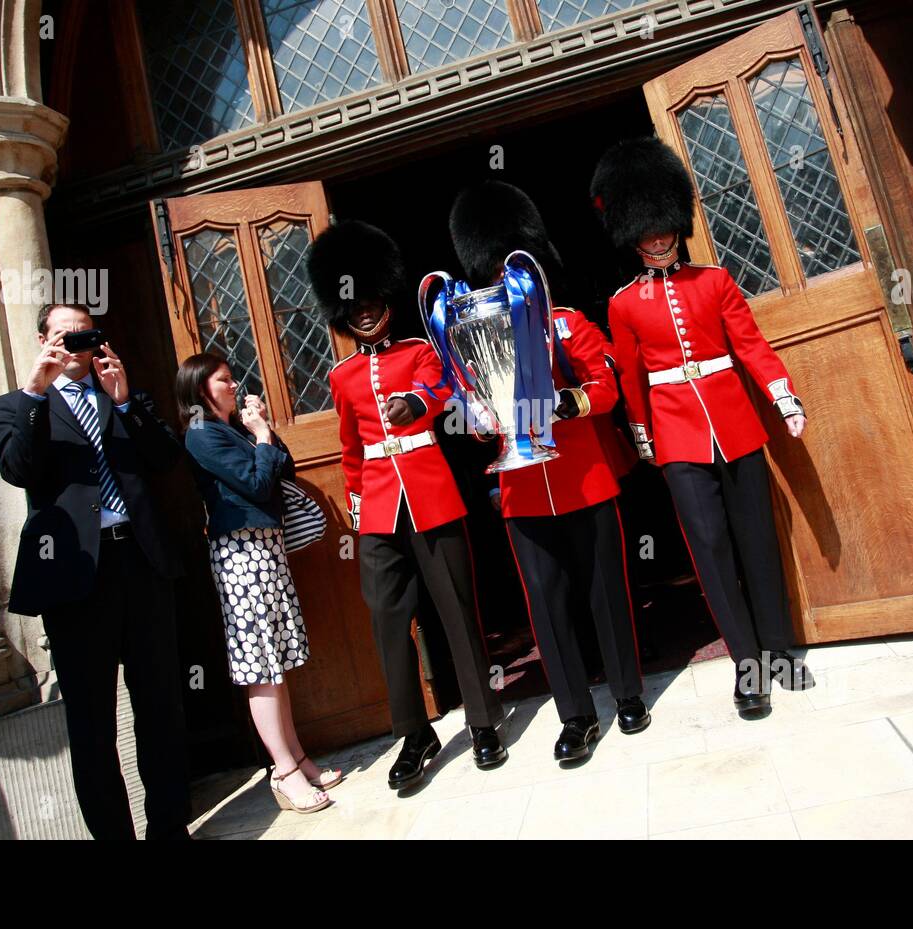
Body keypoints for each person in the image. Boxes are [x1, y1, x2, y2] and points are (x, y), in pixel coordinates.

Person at [592, 137, 815, 717]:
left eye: (663, 227)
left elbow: (751, 346)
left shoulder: (714, 282)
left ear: (674, 222)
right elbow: (632, 379)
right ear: (633, 235)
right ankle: (749, 668)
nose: (658, 239)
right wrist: (643, 436)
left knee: (758, 543)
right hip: (678, 438)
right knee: (711, 552)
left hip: (736, 427)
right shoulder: (622, 304)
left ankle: (781, 652)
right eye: (646, 232)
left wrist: (783, 396)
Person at [449, 181, 649, 763]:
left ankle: (628, 693)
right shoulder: (472, 335)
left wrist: (570, 403)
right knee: (547, 606)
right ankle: (575, 715)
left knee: (605, 593)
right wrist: (479, 417)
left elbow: (606, 386)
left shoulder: (565, 323)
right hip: (522, 492)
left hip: (582, 477)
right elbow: (466, 404)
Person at [307, 220, 507, 791]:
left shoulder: (419, 350)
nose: (366, 311)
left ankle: (483, 718)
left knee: (455, 609)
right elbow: (351, 449)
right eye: (355, 305)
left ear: (385, 300)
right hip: (377, 506)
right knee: (389, 622)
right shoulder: (341, 375)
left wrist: (413, 404)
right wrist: (357, 502)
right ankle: (414, 733)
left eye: (372, 300)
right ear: (342, 313)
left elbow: (440, 387)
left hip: (429, 493)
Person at [0, 303, 191, 838]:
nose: (75, 346)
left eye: (85, 335)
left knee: (160, 706)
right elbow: (18, 468)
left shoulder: (124, 397)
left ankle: (169, 829)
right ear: (42, 340)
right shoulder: (13, 405)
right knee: (91, 722)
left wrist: (125, 405)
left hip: (140, 563)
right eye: (63, 336)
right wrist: (36, 388)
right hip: (75, 576)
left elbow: (167, 459)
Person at [176, 352, 341, 814]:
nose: (233, 385)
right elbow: (256, 482)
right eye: (223, 380)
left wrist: (263, 432)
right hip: (241, 553)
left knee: (275, 659)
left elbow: (281, 470)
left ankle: (299, 758)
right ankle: (285, 772)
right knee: (259, 664)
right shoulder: (200, 433)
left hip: (265, 549)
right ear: (200, 389)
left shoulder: (229, 430)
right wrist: (263, 437)